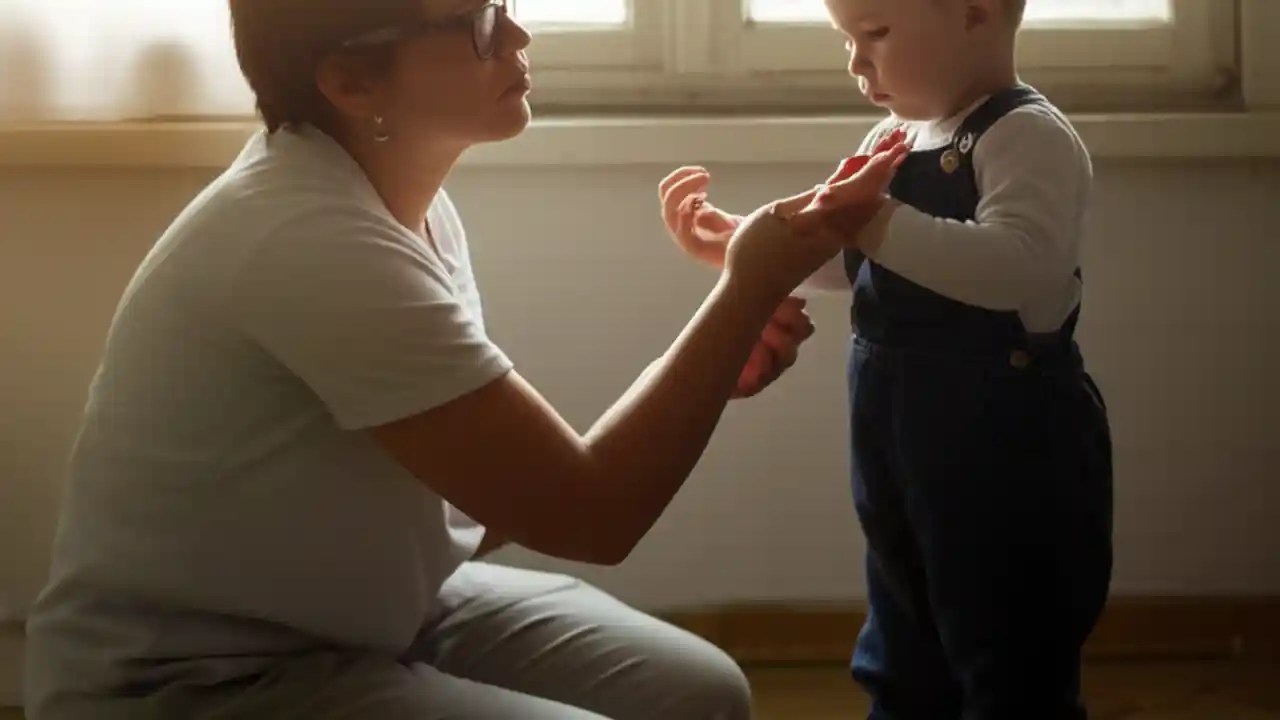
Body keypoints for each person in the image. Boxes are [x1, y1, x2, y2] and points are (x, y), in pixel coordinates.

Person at [22, 1, 910, 718]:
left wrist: (713, 359)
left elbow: (501, 493)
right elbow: (593, 517)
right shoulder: (312, 240)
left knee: (700, 695)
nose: (518, 35)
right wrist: (741, 294)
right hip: (202, 677)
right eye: (481, 22)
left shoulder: (399, 204)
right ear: (348, 78)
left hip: (378, 608)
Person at [659, 0, 1114, 717]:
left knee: (1010, 648)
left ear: (976, 13)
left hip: (1012, 459)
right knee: (904, 634)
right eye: (846, 39)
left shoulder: (1027, 136)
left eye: (874, 34)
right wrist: (744, 246)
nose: (855, 60)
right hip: (899, 451)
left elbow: (1018, 268)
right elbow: (852, 260)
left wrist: (874, 220)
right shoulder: (894, 137)